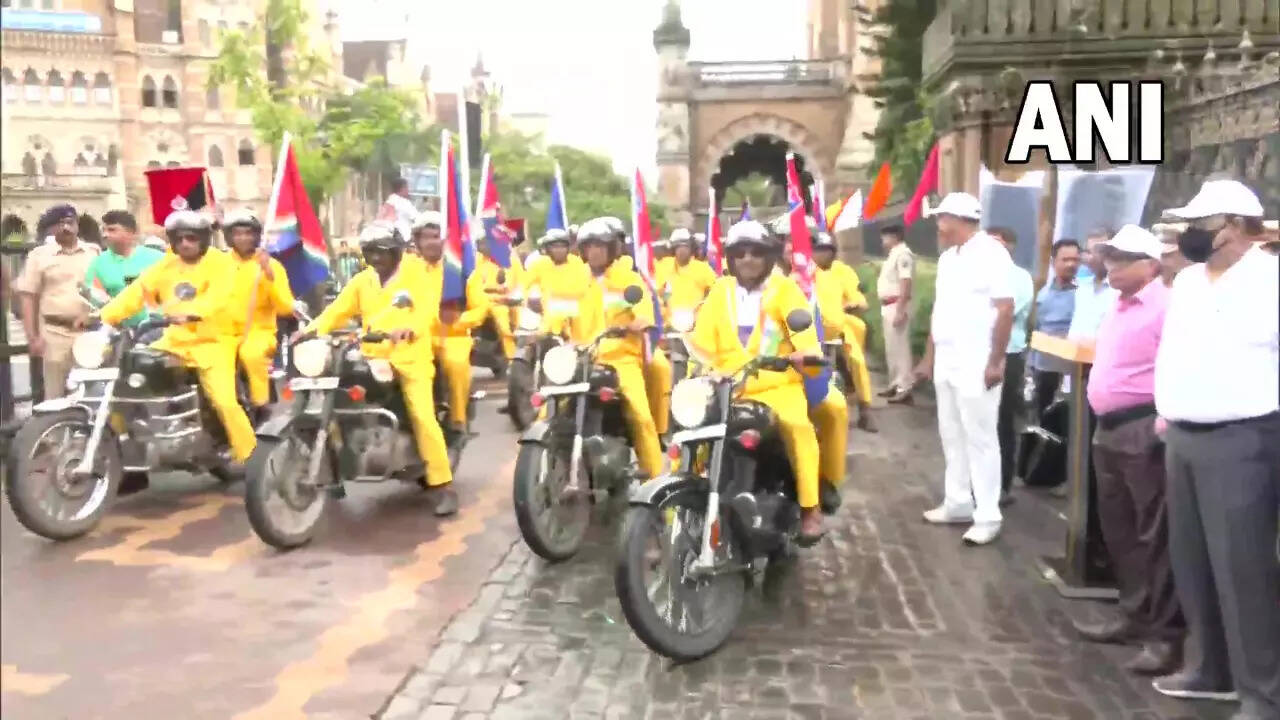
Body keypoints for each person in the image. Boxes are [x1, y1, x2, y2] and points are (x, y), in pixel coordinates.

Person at [1152, 179, 1279, 717]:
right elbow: (1175, 348)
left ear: (1232, 226)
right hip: (1183, 432)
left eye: (1200, 224)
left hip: (1243, 438)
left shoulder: (1270, 279)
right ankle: (1212, 669)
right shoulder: (1188, 282)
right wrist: (1166, 408)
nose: (1190, 233)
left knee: (1243, 569)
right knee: (1193, 561)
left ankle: (1262, 693)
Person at [688, 220, 846, 543]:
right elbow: (702, 345)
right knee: (691, 430)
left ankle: (810, 508)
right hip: (727, 387)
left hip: (777, 385)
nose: (748, 259)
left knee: (797, 427)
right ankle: (676, 506)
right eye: (740, 253)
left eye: (756, 252)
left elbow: (805, 334)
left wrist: (805, 353)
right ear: (731, 258)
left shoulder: (785, 289)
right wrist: (704, 371)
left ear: (769, 256)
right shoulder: (720, 290)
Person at [1074, 224, 1184, 675]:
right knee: (1119, 530)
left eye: (1122, 259)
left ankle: (1166, 637)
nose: (1111, 266)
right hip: (1108, 428)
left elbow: (1178, 367)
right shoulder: (1116, 304)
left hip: (1143, 428)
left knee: (1153, 535)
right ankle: (1134, 616)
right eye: (1110, 257)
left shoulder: (1167, 307)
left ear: (1151, 265)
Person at [298, 222, 458, 515]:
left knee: (422, 416)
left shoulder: (417, 273)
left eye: (382, 251)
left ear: (396, 251)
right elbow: (336, 311)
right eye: (370, 251)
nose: (375, 257)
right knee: (332, 395)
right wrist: (309, 331)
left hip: (409, 356)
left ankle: (443, 485)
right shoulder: (363, 280)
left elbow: (426, 311)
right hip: (370, 354)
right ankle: (332, 470)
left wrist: (408, 328)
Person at [98, 211, 254, 462]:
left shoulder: (222, 263)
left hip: (213, 342)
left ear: (203, 239)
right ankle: (126, 445)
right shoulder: (166, 265)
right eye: (179, 239)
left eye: (191, 238)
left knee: (224, 401)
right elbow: (136, 293)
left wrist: (194, 312)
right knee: (127, 378)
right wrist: (104, 317)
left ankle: (250, 456)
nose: (185, 244)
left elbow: (220, 296)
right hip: (174, 341)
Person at [914, 193, 1014, 546]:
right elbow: (939, 310)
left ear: (958, 219)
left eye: (941, 219)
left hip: (977, 359)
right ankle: (957, 502)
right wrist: (929, 357)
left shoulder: (992, 253)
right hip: (947, 357)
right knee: (951, 433)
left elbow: (1005, 309)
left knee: (980, 438)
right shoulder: (947, 259)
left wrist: (996, 360)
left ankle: (988, 515)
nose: (938, 225)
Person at [575, 219, 664, 479]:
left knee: (641, 417)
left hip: (620, 358)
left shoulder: (629, 279)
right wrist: (546, 328)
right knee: (547, 407)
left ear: (612, 249)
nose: (594, 251)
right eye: (589, 246)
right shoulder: (575, 279)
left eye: (600, 246)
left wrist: (638, 322)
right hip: (580, 357)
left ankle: (654, 481)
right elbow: (557, 313)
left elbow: (644, 310)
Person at [405, 211, 489, 433]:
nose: (431, 242)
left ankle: (458, 420)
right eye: (426, 237)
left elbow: (481, 309)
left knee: (455, 365)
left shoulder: (461, 270)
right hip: (416, 338)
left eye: (436, 236)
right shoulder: (407, 270)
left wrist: (458, 321)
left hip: (453, 337)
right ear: (417, 241)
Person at [14, 204, 101, 400]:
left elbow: (104, 290)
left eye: (70, 223)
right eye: (60, 224)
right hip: (54, 334)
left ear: (77, 225)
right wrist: (32, 337)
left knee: (89, 394)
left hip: (88, 333)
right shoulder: (39, 256)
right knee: (55, 395)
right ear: (52, 228)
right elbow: (28, 297)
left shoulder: (92, 253)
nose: (66, 228)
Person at [222, 209, 295, 416]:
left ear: (257, 236)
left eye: (248, 233)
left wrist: (268, 276)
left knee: (250, 354)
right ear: (229, 236)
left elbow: (285, 307)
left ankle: (260, 405)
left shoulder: (272, 266)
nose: (243, 238)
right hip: (223, 332)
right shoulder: (218, 263)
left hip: (258, 332)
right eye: (237, 233)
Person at [812, 231, 877, 432]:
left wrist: (854, 303)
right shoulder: (804, 271)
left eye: (827, 250)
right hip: (810, 329)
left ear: (833, 252)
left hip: (838, 326)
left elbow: (856, 296)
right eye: (818, 250)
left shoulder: (842, 271)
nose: (822, 254)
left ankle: (865, 408)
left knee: (857, 359)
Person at [989, 227, 1033, 506]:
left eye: (998, 243)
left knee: (1003, 420)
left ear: (1011, 247)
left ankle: (1003, 485)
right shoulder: (977, 273)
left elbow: (1008, 311)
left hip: (1008, 355)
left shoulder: (1020, 277)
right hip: (978, 354)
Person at [84, 210, 165, 326]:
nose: (105, 235)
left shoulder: (157, 258)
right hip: (119, 330)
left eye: (112, 230)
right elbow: (94, 296)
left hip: (159, 327)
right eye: (103, 230)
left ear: (131, 232)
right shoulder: (98, 263)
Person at [1027, 239, 1080, 417]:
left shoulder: (1084, 293)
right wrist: (1031, 365)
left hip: (1072, 368)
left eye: (1075, 260)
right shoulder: (1043, 294)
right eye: (1065, 259)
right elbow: (1036, 329)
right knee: (1042, 415)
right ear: (1053, 262)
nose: (1071, 264)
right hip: (1044, 366)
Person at [875, 224, 915, 403]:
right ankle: (894, 384)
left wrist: (901, 310)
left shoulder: (903, 254)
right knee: (892, 349)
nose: (883, 241)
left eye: (885, 237)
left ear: (894, 236)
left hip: (896, 305)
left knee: (900, 349)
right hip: (888, 305)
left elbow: (906, 282)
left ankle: (904, 387)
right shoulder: (893, 254)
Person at [472, 233, 524, 360]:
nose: (483, 246)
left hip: (509, 301)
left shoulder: (511, 260)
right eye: (480, 243)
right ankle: (511, 358)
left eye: (486, 242)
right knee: (503, 324)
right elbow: (474, 287)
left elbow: (522, 283)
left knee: (520, 325)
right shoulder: (475, 260)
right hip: (485, 302)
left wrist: (515, 296)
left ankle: (518, 357)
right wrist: (495, 293)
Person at [1068, 229, 1121, 341]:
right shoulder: (1082, 287)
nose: (1089, 257)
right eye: (1087, 252)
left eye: (1095, 252)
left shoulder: (1119, 292)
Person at [381, 178, 418, 242]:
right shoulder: (403, 203)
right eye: (407, 187)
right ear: (402, 188)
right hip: (402, 237)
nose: (408, 190)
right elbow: (417, 218)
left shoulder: (389, 200)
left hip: (389, 235)